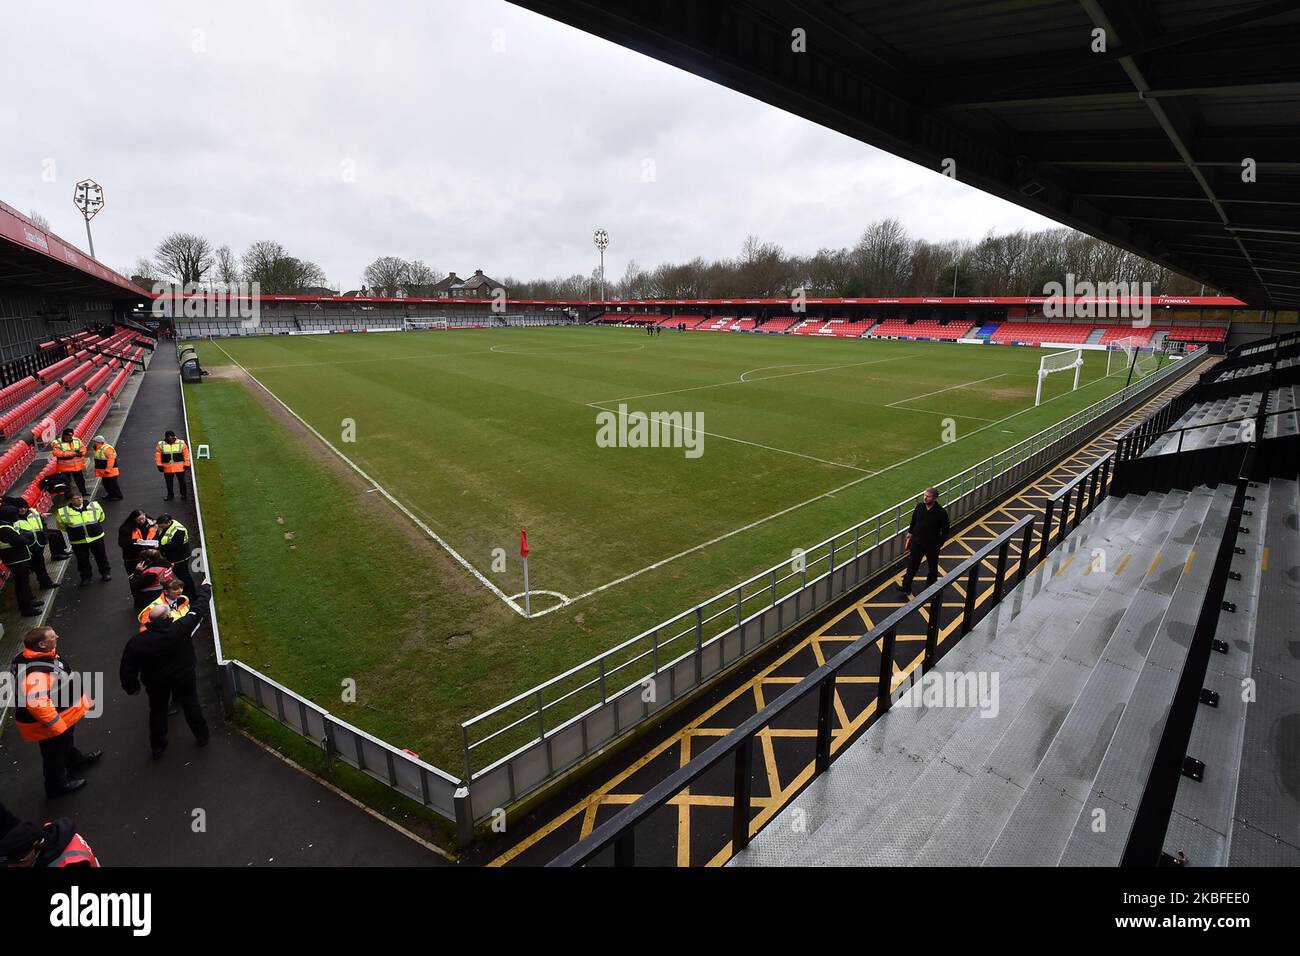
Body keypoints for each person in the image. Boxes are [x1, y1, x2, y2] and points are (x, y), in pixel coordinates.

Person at [120, 583, 212, 759]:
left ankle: (158, 746)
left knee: (158, 711)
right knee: (191, 705)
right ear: (168, 616)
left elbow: (127, 670)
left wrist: (132, 687)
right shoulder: (180, 628)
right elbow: (198, 609)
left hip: (156, 682)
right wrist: (206, 589)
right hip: (184, 675)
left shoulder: (137, 642)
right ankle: (202, 735)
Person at [10, 626, 101, 796]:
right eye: (53, 637)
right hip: (50, 723)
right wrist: (58, 727)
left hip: (60, 716)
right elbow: (38, 705)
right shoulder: (35, 674)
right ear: (42, 644)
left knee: (64, 744)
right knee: (53, 755)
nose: (57, 636)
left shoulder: (30, 657)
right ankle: (56, 786)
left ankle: (73, 761)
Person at [0, 504, 58, 616]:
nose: (16, 516)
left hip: (18, 558)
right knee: (22, 585)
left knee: (24, 584)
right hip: (16, 560)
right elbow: (20, 540)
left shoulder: (6, 526)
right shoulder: (4, 529)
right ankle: (26, 608)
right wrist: (27, 537)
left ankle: (29, 602)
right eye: (14, 514)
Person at [898, 486, 950, 595]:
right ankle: (906, 586)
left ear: (935, 498)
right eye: (924, 495)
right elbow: (913, 521)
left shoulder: (941, 513)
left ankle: (931, 588)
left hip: (932, 545)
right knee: (912, 565)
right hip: (917, 543)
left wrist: (939, 544)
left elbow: (945, 531)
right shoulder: (919, 507)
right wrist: (910, 532)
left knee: (932, 567)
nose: (925, 498)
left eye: (928, 496)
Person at [55, 491, 112, 585]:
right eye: (76, 498)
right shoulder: (63, 512)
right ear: (70, 500)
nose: (79, 499)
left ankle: (105, 573)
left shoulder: (94, 506)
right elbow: (60, 525)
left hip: (96, 537)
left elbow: (101, 517)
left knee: (101, 556)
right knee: (82, 560)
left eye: (80, 497)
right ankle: (86, 577)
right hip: (78, 540)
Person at [0, 816, 99, 867]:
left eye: (19, 860)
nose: (11, 865)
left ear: (37, 845)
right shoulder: (50, 834)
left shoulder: (70, 864)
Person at [7, 496, 73, 562]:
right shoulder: (14, 517)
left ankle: (61, 551)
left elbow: (39, 519)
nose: (23, 509)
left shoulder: (32, 512)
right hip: (30, 538)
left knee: (57, 532)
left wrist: (41, 516)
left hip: (40, 532)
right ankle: (56, 555)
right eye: (20, 508)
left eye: (24, 507)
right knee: (54, 535)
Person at [156, 513, 196, 594]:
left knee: (184, 576)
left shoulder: (178, 530)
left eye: (162, 525)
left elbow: (176, 545)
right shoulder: (169, 525)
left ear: (168, 522)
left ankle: (191, 593)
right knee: (181, 575)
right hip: (174, 557)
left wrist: (160, 547)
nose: (160, 527)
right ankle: (187, 591)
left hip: (180, 558)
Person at [49, 428, 88, 497]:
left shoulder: (76, 440)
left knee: (81, 481)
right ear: (64, 435)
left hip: (77, 466)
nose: (69, 437)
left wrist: (82, 453)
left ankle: (84, 492)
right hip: (65, 468)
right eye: (68, 436)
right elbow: (57, 453)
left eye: (71, 436)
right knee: (67, 482)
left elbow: (83, 447)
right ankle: (68, 496)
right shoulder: (57, 442)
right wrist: (72, 454)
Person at [117, 509, 158, 574]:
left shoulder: (152, 524)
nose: (141, 521)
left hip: (148, 556)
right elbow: (121, 543)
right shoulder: (126, 528)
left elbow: (156, 535)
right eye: (138, 520)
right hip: (133, 558)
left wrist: (157, 544)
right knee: (135, 578)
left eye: (142, 518)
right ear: (133, 519)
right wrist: (135, 541)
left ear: (144, 515)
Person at [155, 430, 191, 501]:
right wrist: (159, 465)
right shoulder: (161, 444)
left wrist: (187, 464)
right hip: (167, 468)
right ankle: (170, 495)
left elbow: (186, 454)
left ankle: (183, 495)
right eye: (168, 437)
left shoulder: (181, 443)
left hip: (179, 467)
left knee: (182, 482)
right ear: (166, 438)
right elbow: (157, 455)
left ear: (174, 437)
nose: (170, 439)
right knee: (169, 483)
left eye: (171, 437)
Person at [90, 436, 123, 501]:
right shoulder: (99, 448)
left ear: (99, 442)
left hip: (110, 471)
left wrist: (108, 470)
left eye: (95, 442)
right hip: (104, 472)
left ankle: (118, 496)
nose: (93, 443)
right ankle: (111, 494)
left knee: (113, 485)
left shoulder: (107, 449)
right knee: (106, 484)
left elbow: (111, 460)